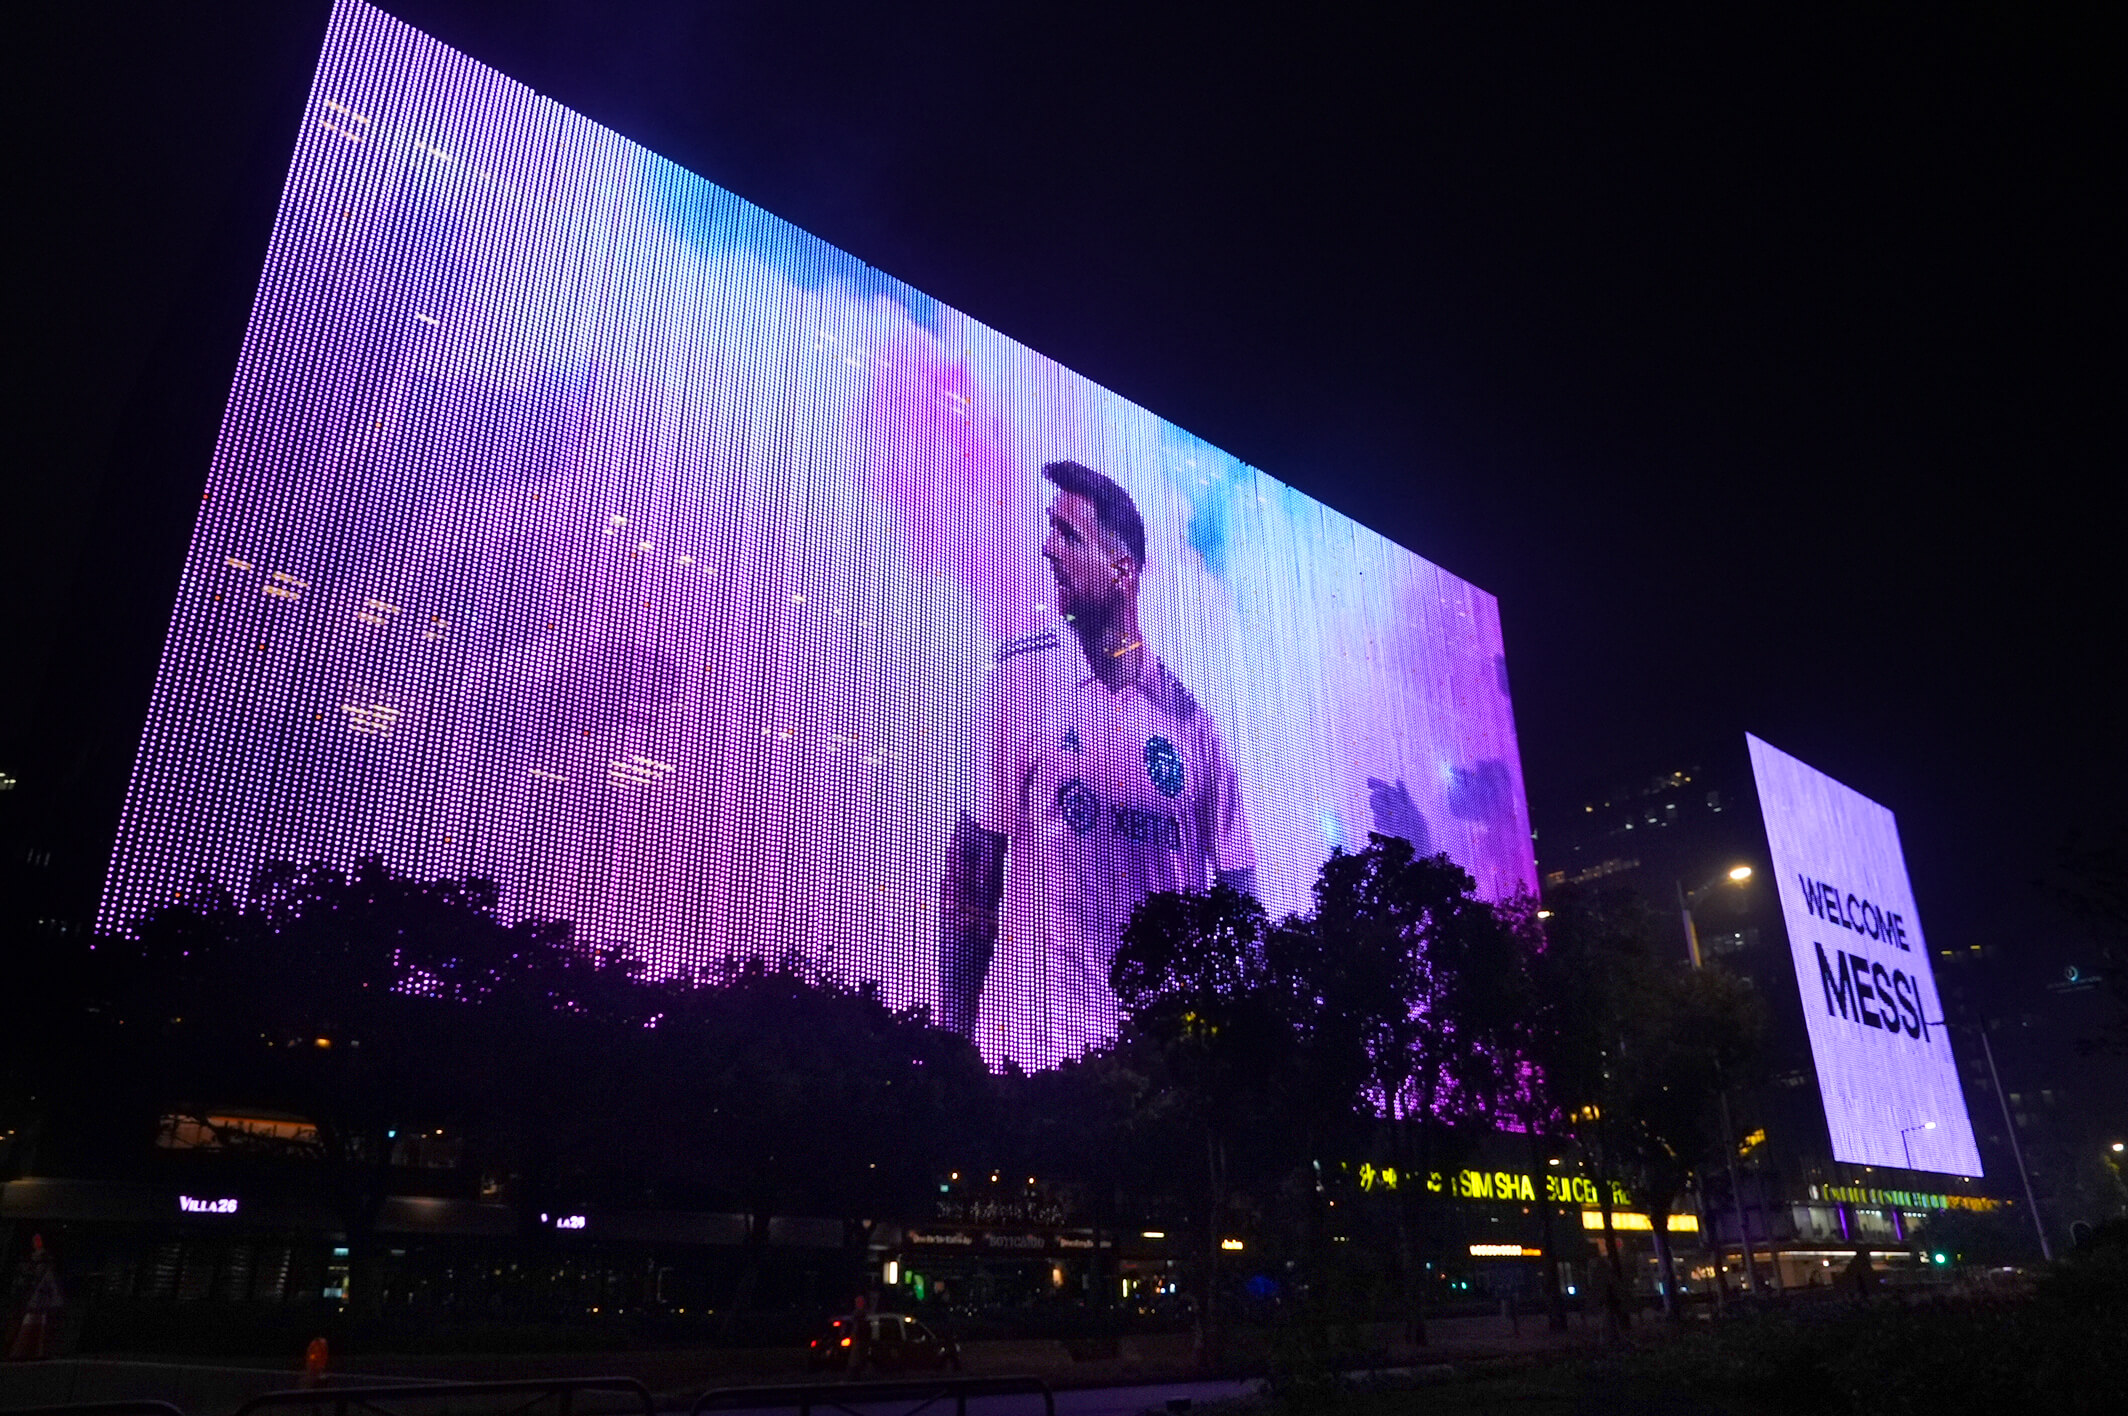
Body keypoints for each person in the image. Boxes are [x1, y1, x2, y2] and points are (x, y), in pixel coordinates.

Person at [939, 461, 1255, 1060]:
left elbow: (1237, 884)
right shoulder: (1022, 680)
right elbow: (976, 861)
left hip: (1162, 1066)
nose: (1048, 551)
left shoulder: (1192, 723)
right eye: (1048, 532)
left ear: (1122, 571)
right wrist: (954, 1036)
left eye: (1069, 536)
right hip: (1032, 1049)